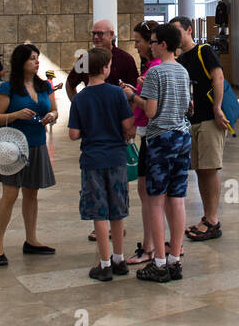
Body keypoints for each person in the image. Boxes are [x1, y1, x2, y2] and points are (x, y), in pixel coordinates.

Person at [68, 47, 136, 281]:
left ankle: (104, 263)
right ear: (106, 68)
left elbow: (73, 134)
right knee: (118, 211)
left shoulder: (80, 98)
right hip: (116, 158)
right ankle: (119, 259)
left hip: (92, 159)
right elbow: (128, 127)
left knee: (99, 212)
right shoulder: (118, 94)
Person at [0, 43, 58, 262]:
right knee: (9, 195)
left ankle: (31, 239)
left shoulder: (44, 86)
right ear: (21, 63)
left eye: (37, 58)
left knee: (32, 193)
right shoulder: (8, 88)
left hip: (37, 144)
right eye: (32, 58)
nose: (36, 61)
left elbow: (54, 109)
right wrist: (16, 114)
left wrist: (53, 116)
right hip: (13, 148)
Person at [135, 23, 192, 283]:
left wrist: (136, 94)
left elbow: (150, 112)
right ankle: (175, 259)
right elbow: (188, 106)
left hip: (161, 139)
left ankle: (158, 263)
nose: (151, 44)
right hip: (183, 136)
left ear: (164, 45)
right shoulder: (182, 70)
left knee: (156, 200)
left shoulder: (156, 72)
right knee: (177, 198)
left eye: (155, 41)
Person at [171, 16, 229, 242]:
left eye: (178, 31)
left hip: (209, 119)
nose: (176, 37)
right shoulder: (181, 58)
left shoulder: (204, 51)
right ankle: (207, 217)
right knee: (200, 169)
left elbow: (218, 77)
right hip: (192, 120)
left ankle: (213, 220)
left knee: (210, 168)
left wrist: (217, 108)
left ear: (188, 30)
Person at [122, 21, 161, 265]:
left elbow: (151, 107)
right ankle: (155, 244)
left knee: (148, 193)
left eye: (139, 41)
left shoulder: (156, 68)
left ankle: (150, 247)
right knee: (148, 192)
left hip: (152, 134)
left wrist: (132, 95)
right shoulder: (152, 67)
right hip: (149, 133)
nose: (135, 46)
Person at [66, 19, 139, 98]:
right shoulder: (85, 58)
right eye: (94, 33)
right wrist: (78, 105)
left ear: (111, 34)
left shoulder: (125, 59)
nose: (96, 37)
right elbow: (70, 84)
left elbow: (135, 90)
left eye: (100, 33)